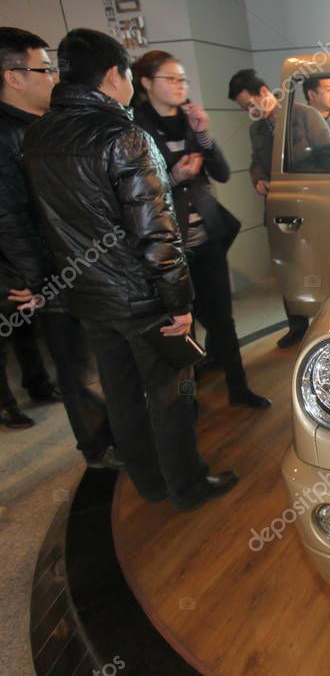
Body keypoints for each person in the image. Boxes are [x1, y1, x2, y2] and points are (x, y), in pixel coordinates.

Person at [23, 28, 237, 510]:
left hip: (87, 294)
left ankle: (149, 483)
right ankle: (188, 487)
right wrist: (179, 303)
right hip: (141, 297)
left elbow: (34, 217)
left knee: (121, 396)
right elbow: (157, 234)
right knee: (171, 396)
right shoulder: (124, 136)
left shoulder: (39, 134)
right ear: (116, 74)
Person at [0, 26, 123, 468]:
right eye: (44, 68)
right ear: (13, 77)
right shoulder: (7, 136)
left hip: (77, 265)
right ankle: (98, 448)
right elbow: (10, 216)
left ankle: (114, 436)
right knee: (78, 366)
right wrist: (40, 281)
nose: (54, 76)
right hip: (54, 274)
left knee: (95, 359)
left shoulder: (42, 126)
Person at [131, 51, 270, 410]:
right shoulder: (137, 129)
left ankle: (239, 388)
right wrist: (173, 177)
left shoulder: (191, 120)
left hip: (206, 237)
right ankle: (188, 404)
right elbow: (134, 191)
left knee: (222, 319)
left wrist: (203, 133)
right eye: (171, 79)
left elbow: (222, 172)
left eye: (183, 79)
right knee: (182, 327)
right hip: (168, 248)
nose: (180, 86)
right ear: (146, 83)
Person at [227, 69, 330, 348]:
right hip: (279, 211)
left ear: (264, 93)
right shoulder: (257, 129)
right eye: (244, 109)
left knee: (323, 264)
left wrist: (295, 181)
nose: (250, 111)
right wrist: (258, 178)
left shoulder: (304, 116)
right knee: (287, 268)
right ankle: (297, 326)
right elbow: (256, 162)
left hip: (313, 206)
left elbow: (329, 159)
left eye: (251, 104)